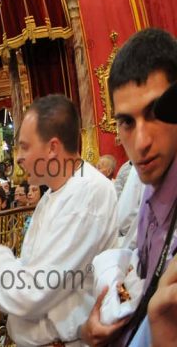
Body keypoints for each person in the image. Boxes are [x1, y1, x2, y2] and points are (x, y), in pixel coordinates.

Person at [0, 95, 118, 346]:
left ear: (52, 148)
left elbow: (33, 292)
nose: (18, 157)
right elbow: (28, 269)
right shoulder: (53, 194)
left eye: (24, 147)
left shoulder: (87, 192)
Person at [81, 28, 177, 347]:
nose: (141, 142)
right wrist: (98, 323)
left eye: (155, 114)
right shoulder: (150, 184)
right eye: (127, 123)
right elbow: (141, 270)